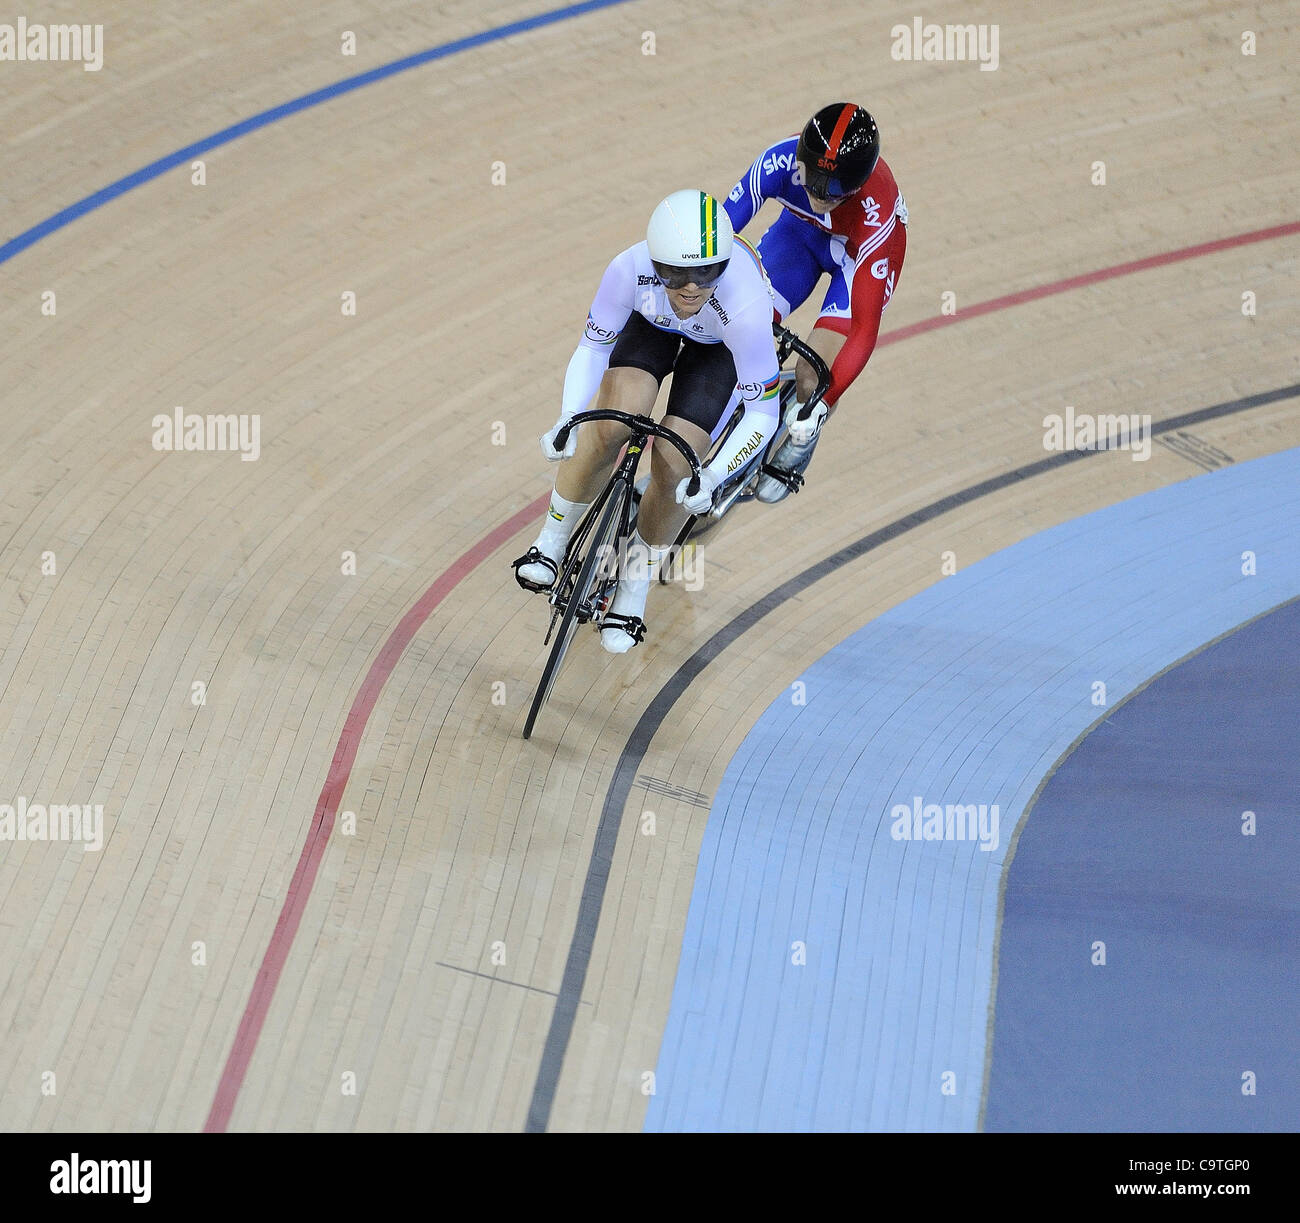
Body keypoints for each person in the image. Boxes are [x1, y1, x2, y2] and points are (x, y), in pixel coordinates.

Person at [512, 190, 782, 653]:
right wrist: (569, 418)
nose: (693, 287)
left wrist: (712, 476)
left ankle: (633, 588)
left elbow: (764, 411)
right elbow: (593, 348)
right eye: (677, 273)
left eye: (706, 271)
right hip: (651, 326)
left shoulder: (746, 305)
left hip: (715, 353)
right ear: (656, 263)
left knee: (678, 466)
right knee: (611, 422)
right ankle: (551, 540)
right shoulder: (627, 269)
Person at [722, 102, 907, 500]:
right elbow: (717, 235)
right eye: (809, 180)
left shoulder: (875, 216)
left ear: (856, 187)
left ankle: (803, 436)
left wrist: (824, 403)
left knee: (812, 377)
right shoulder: (779, 162)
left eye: (834, 190)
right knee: (737, 324)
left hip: (859, 259)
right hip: (801, 235)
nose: (819, 194)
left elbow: (864, 331)